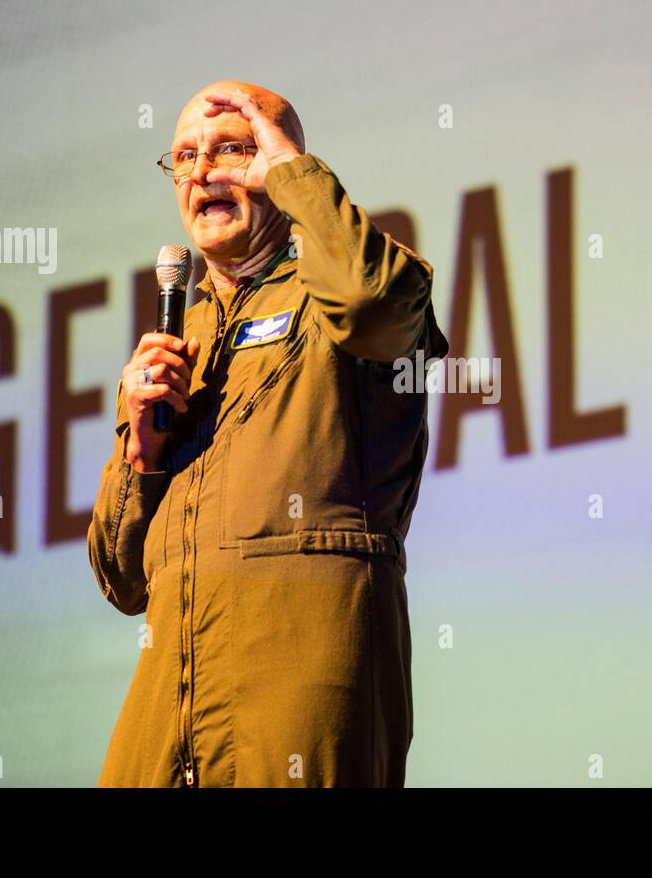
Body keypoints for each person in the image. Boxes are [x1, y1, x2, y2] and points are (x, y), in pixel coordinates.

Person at [86, 81, 448, 787]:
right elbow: (121, 577)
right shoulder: (173, 342)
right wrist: (142, 453)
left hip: (298, 688)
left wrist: (292, 173)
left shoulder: (337, 291)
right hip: (168, 711)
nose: (201, 172)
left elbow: (373, 302)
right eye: (185, 156)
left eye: (233, 149)